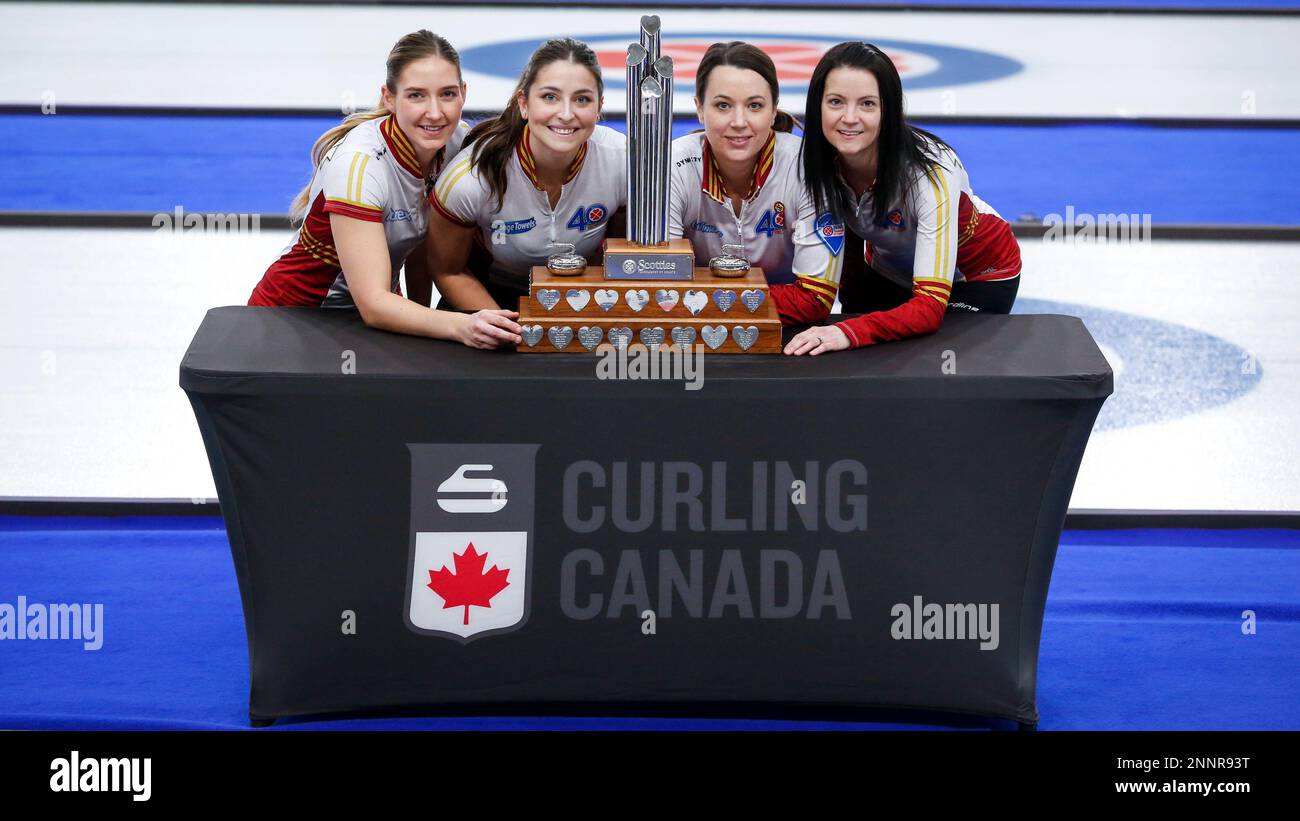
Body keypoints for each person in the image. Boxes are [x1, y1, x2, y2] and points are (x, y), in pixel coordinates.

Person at [247, 30, 521, 350]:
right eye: (416, 95)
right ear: (389, 97)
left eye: (447, 94)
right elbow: (374, 304)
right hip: (297, 316)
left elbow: (421, 242)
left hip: (377, 317)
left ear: (464, 92)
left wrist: (426, 326)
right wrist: (464, 324)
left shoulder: (456, 140)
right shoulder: (359, 164)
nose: (435, 112)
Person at [785, 41, 1021, 356]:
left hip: (977, 275)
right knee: (853, 350)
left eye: (867, 104)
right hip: (890, 268)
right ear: (817, 106)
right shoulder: (816, 160)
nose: (850, 118)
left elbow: (928, 308)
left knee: (932, 357)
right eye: (836, 102)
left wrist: (848, 330)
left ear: (890, 110)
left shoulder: (930, 173)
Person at [429, 38, 627, 310]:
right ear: (524, 103)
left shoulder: (623, 160)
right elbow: (449, 271)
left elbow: (624, 262)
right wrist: (502, 326)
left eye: (582, 99)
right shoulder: (471, 176)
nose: (566, 114)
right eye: (550, 97)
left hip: (585, 297)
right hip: (491, 297)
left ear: (599, 106)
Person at [668, 41, 845, 325]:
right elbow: (663, 290)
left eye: (754, 105)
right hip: (695, 335)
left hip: (789, 336)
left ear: (773, 110)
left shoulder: (809, 167)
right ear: (700, 109)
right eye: (723, 105)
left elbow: (816, 299)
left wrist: (712, 300)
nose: (739, 121)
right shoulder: (672, 167)